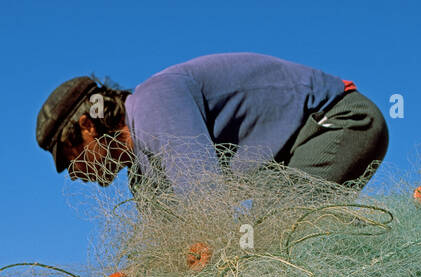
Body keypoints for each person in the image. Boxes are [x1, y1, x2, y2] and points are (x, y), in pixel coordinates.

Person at [35, 52, 389, 197]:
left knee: (281, 229)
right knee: (270, 232)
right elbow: (166, 242)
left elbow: (208, 202)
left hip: (337, 121)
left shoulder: (153, 104)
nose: (75, 174)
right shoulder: (143, 181)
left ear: (87, 127)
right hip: (291, 158)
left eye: (71, 158)